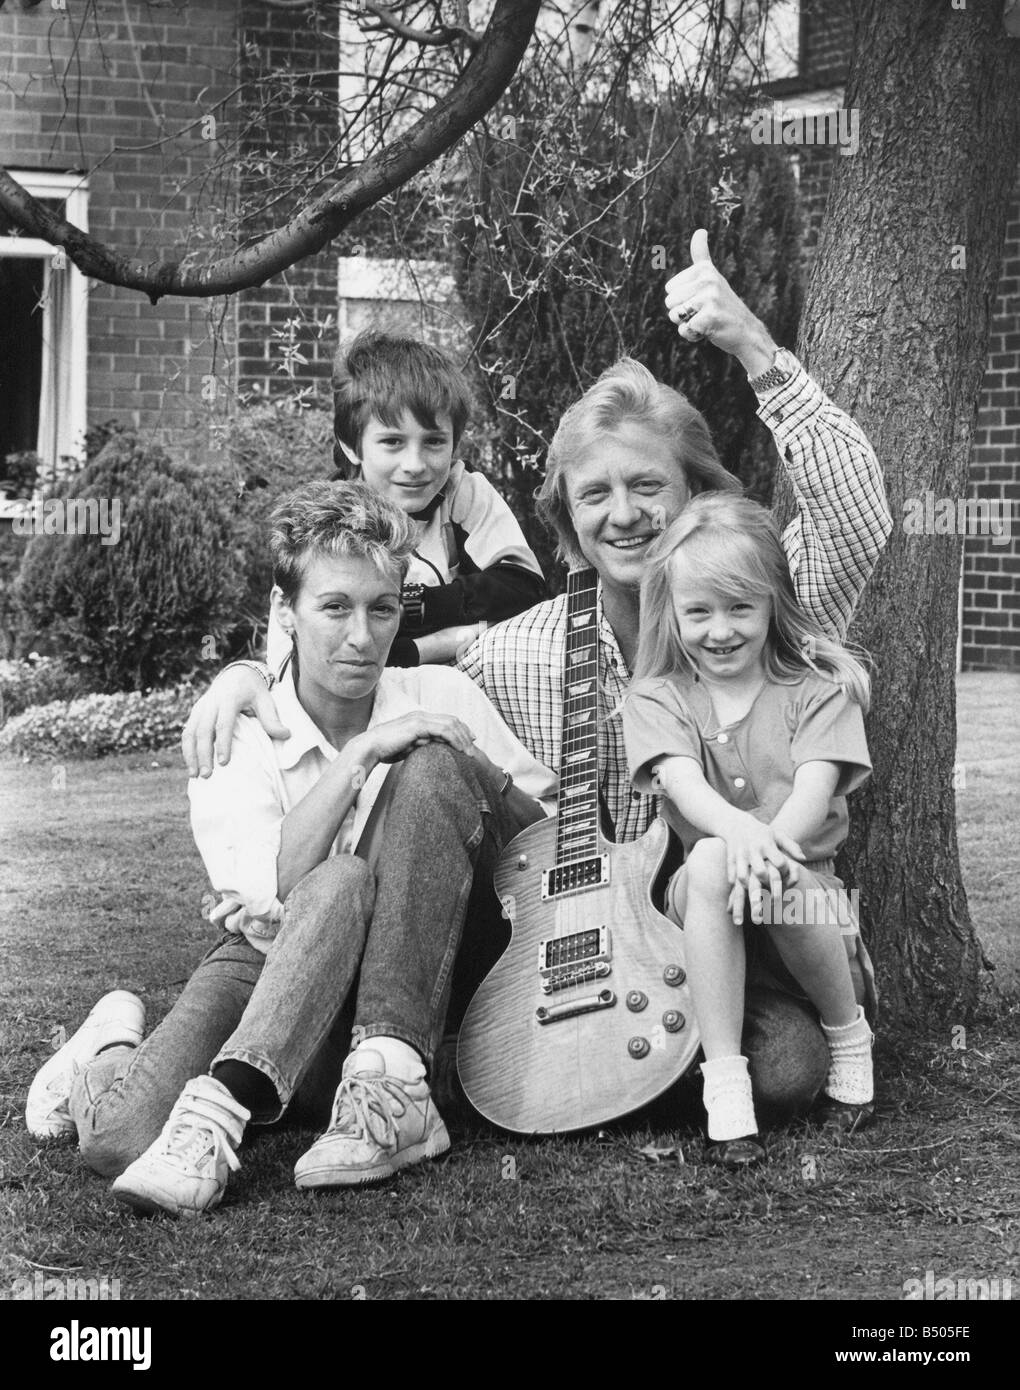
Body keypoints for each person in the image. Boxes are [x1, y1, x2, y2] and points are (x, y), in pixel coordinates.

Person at [181, 230, 892, 1138]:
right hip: (583, 945)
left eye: (648, 486)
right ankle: (407, 1057)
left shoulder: (760, 609)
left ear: (696, 492)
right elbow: (364, 653)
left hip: (741, 937)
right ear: (564, 515)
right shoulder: (520, 651)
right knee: (436, 764)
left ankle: (613, 1065)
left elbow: (857, 516)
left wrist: (752, 345)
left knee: (788, 1067)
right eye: (595, 495)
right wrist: (250, 671)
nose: (624, 515)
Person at [26, 481, 554, 1216]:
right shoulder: (239, 734)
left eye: (382, 609)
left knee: (436, 763)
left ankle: (384, 1075)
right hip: (274, 957)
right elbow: (272, 899)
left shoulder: (443, 693)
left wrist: (466, 776)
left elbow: (537, 835)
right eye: (335, 608)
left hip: (423, 961)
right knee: (120, 1139)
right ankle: (109, 1043)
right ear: (285, 612)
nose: (362, 637)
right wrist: (362, 754)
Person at [622, 494, 876, 1169]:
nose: (720, 630)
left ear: (772, 603)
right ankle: (725, 1089)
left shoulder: (817, 689)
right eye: (699, 611)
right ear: (672, 613)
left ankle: (849, 1037)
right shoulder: (657, 697)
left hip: (803, 905)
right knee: (710, 860)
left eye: (740, 607)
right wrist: (739, 837)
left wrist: (766, 853)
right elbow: (682, 782)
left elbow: (814, 794)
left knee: (775, 878)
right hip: (704, 908)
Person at [264, 330, 545, 672]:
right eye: (393, 442)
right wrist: (439, 643)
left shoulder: (463, 489)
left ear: (454, 443)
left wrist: (420, 607)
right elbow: (304, 660)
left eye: (434, 442)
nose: (415, 465)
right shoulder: (322, 525)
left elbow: (524, 588)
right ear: (351, 445)